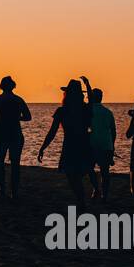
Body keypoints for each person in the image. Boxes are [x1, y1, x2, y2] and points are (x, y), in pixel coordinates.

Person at [37, 78, 92, 209]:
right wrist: (88, 85)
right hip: (84, 144)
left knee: (73, 177)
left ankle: (81, 200)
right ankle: (81, 200)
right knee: (77, 176)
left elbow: (52, 132)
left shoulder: (63, 111)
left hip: (70, 145)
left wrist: (43, 147)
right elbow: (91, 101)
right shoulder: (85, 109)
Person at [0, 75, 31, 198]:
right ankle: (14, 191)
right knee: (15, 164)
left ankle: (2, 188)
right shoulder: (18, 100)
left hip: (0, 133)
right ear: (13, 86)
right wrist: (16, 117)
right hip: (15, 133)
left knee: (0, 162)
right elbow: (28, 116)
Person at [84, 77, 115, 202]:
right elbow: (113, 131)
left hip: (92, 144)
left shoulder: (88, 110)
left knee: (89, 168)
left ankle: (96, 188)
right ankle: (104, 195)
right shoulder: (108, 112)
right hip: (106, 145)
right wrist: (112, 145)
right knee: (105, 171)